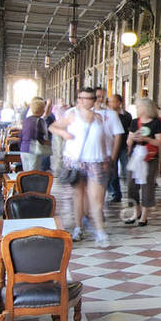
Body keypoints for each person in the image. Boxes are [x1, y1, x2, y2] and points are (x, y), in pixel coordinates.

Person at [51, 86, 116, 247]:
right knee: (78, 195)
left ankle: (100, 232)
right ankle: (79, 227)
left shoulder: (99, 118)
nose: (83, 101)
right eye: (80, 98)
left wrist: (105, 156)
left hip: (96, 161)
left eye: (87, 98)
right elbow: (52, 126)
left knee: (96, 199)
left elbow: (101, 139)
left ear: (94, 101)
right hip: (75, 161)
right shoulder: (72, 115)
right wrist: (64, 134)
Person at [124, 96, 161, 227]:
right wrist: (133, 138)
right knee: (131, 185)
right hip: (136, 157)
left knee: (147, 186)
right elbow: (128, 141)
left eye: (139, 107)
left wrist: (147, 139)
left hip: (150, 157)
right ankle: (137, 211)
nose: (138, 109)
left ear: (146, 108)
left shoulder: (156, 123)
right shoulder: (135, 122)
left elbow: (160, 142)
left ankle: (144, 215)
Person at [106, 94, 133, 203]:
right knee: (112, 171)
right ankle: (115, 193)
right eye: (109, 101)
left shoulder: (126, 116)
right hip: (110, 147)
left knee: (128, 170)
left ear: (119, 103)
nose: (111, 104)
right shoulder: (106, 115)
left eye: (113, 101)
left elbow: (129, 131)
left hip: (123, 146)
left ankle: (132, 193)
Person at [18, 97, 50, 171]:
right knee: (33, 173)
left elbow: (21, 136)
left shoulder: (26, 120)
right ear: (41, 110)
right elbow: (41, 138)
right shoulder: (40, 121)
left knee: (26, 173)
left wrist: (21, 147)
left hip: (23, 149)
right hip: (33, 150)